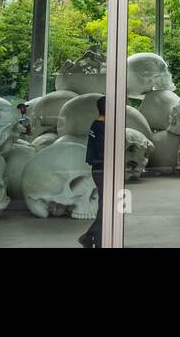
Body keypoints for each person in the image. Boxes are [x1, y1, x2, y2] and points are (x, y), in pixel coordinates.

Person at [78, 97, 106, 249]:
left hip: (97, 169)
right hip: (102, 169)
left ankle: (93, 238)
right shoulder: (102, 127)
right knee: (105, 207)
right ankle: (90, 237)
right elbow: (104, 151)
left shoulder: (95, 124)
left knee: (105, 206)